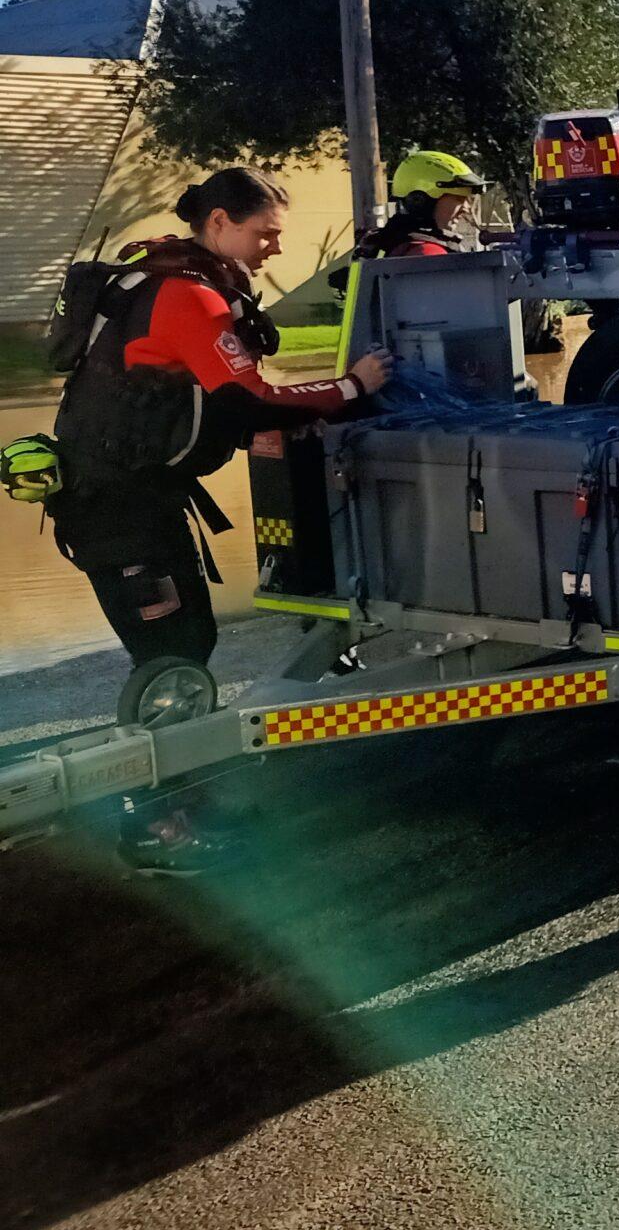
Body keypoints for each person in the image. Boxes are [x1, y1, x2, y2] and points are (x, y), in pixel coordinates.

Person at [49, 169, 389, 868]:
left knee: (183, 644)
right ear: (220, 223)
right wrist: (352, 387)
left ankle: (176, 807)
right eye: (264, 232)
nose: (272, 248)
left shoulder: (163, 280)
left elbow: (229, 393)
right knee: (171, 657)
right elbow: (244, 404)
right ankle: (156, 830)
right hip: (120, 510)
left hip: (122, 501)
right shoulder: (188, 295)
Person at [349, 148, 490, 262]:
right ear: (420, 201)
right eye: (459, 199)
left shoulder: (386, 242)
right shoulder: (428, 254)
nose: (466, 208)